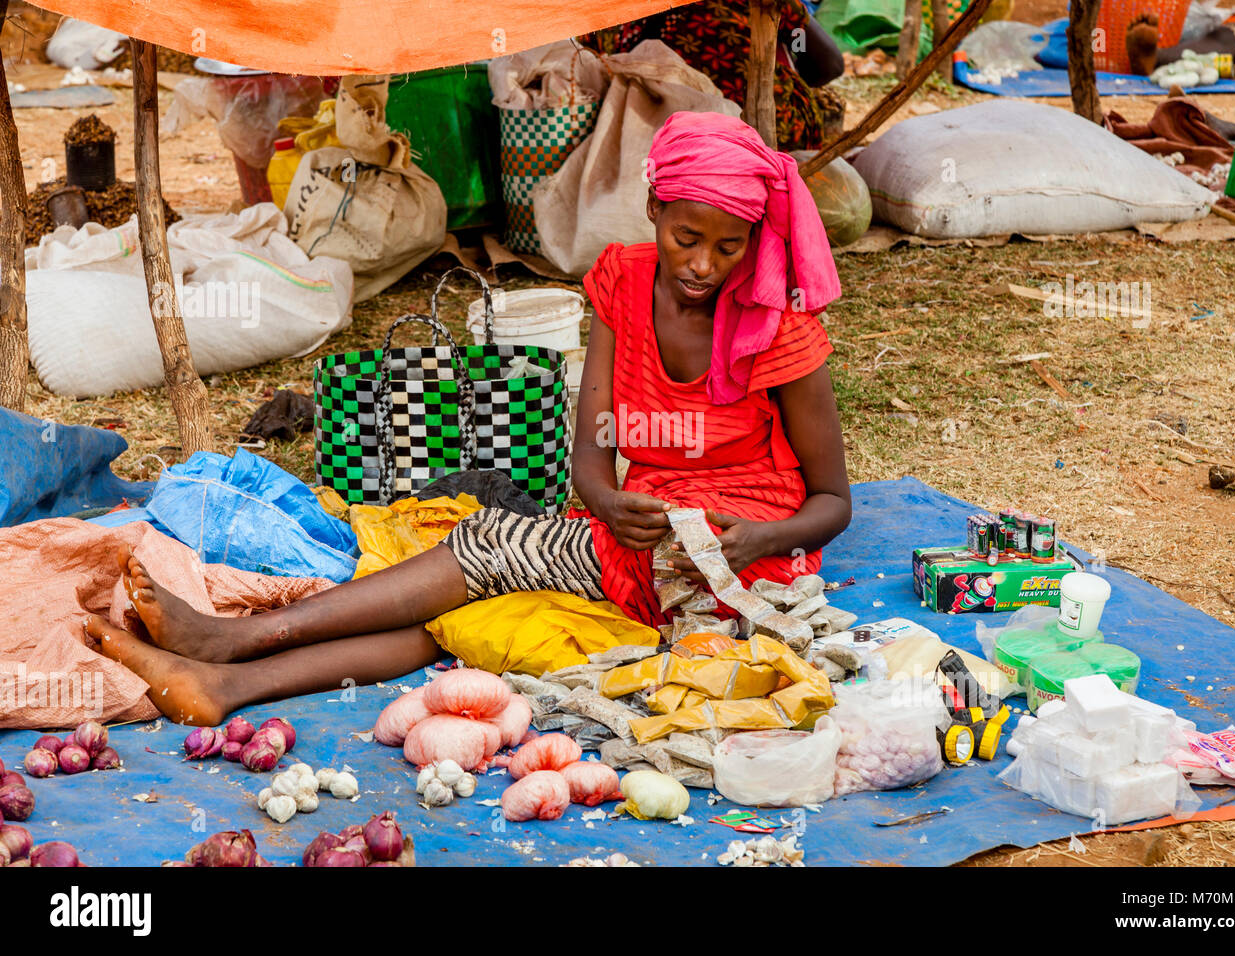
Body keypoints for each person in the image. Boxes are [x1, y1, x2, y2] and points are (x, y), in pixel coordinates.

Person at [85, 111, 853, 727]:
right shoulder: (625, 280)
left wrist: (760, 538)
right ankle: (221, 687)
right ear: (654, 209)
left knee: (485, 544)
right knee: (468, 613)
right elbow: (591, 452)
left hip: (740, 569)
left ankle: (235, 640)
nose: (703, 265)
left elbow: (832, 505)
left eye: (729, 247)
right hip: (635, 543)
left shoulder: (777, 326)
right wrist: (607, 502)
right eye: (687, 239)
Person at [584, 0, 846, 150]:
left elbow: (589, 63)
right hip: (774, 139)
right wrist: (792, 78)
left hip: (647, 140)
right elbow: (829, 65)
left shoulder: (604, 11)